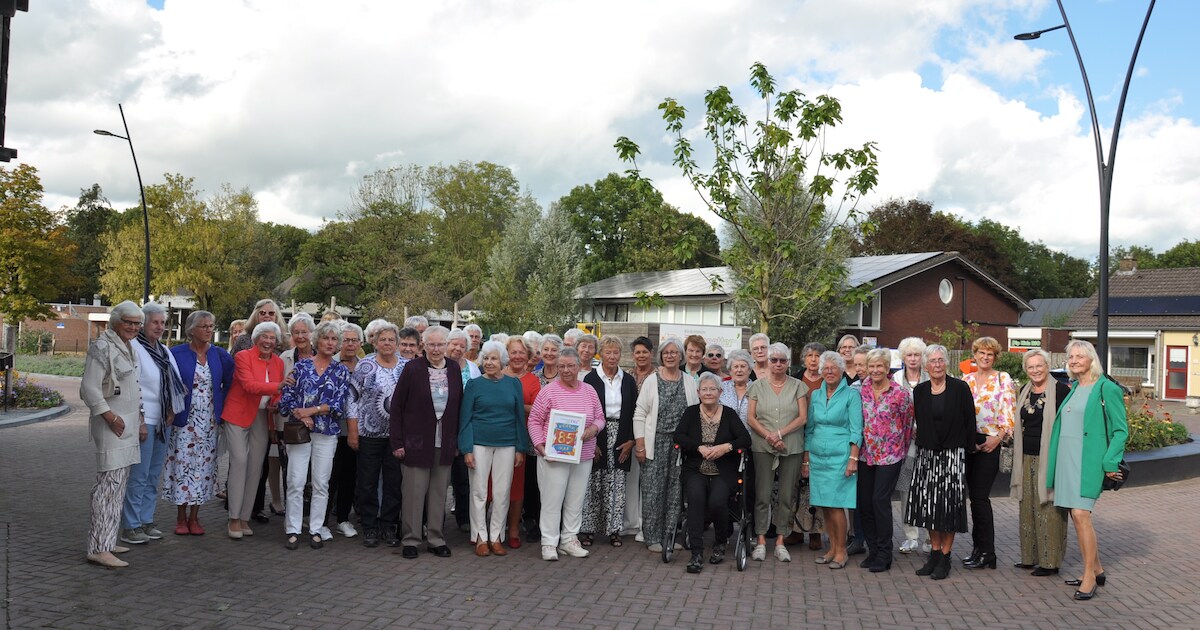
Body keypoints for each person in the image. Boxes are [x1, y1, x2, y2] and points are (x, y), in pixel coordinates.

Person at [1046, 340, 1128, 600]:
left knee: (1081, 514)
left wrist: (1110, 462)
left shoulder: (1106, 388)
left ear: (1091, 359)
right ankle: (1098, 568)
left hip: (1089, 461)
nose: (1074, 360)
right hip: (1067, 460)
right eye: (1070, 356)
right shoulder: (1074, 387)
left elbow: (1120, 430)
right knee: (1076, 514)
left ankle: (1089, 577)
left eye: (1080, 356)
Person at [389, 325, 463, 559]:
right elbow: (397, 407)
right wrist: (398, 442)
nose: (436, 349)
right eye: (431, 344)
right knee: (414, 492)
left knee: (439, 492)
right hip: (416, 441)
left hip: (445, 440)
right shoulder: (413, 369)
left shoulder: (453, 369)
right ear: (423, 345)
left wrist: (457, 440)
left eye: (440, 344)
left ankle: (435, 538)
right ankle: (411, 540)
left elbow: (458, 405)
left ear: (446, 346)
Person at [81, 301, 144, 568]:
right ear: (115, 321)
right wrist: (110, 417)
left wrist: (138, 420)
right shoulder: (102, 347)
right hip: (113, 425)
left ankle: (107, 539)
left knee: (118, 486)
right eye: (127, 322)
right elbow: (89, 388)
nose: (132, 327)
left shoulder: (127, 347)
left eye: (136, 323)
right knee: (107, 487)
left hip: (126, 424)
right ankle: (98, 547)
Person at [526, 347, 605, 561]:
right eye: (562, 366)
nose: (566, 370)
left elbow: (600, 417)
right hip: (553, 455)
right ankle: (549, 542)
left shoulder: (589, 390)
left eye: (571, 365)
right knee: (552, 500)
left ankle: (569, 540)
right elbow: (534, 421)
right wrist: (540, 446)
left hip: (583, 454)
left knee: (575, 499)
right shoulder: (549, 391)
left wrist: (593, 429)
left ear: (580, 367)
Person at [277, 320, 351, 550]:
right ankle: (293, 529)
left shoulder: (341, 371)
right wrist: (301, 415)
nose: (330, 343)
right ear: (316, 340)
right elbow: (286, 399)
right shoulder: (301, 367)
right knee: (296, 481)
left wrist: (313, 410)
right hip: (300, 432)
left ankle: (316, 528)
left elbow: (339, 405)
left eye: (334, 339)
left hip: (326, 433)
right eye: (326, 338)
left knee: (321, 483)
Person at [906, 344, 976, 580]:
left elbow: (970, 423)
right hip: (927, 455)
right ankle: (934, 553)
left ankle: (945, 556)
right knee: (929, 506)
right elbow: (920, 424)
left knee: (949, 508)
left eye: (940, 360)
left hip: (953, 455)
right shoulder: (920, 391)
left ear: (947, 363)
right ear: (926, 365)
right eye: (932, 361)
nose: (937, 364)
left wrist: (965, 454)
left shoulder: (960, 388)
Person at [119, 303, 187, 546]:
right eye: (154, 322)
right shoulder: (134, 349)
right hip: (144, 421)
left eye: (162, 322)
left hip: (162, 422)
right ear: (143, 324)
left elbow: (176, 382)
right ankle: (131, 525)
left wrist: (171, 410)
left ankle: (146, 520)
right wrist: (139, 421)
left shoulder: (165, 351)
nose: (160, 327)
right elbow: (132, 388)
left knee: (152, 475)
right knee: (138, 475)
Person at [673, 372, 752, 573]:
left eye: (712, 389)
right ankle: (696, 553)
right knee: (696, 499)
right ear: (699, 393)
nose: (708, 393)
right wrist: (698, 447)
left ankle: (720, 542)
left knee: (718, 501)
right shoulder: (690, 413)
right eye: (704, 389)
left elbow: (745, 439)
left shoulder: (730, 414)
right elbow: (679, 436)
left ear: (720, 392)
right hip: (695, 469)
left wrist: (725, 447)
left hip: (723, 470)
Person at [165, 311, 234, 536]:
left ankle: (195, 517)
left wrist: (222, 408)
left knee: (203, 470)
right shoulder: (176, 354)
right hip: (184, 421)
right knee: (183, 467)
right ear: (191, 329)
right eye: (204, 326)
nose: (208, 330)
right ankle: (180, 516)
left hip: (209, 422)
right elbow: (167, 384)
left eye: (211, 326)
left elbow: (230, 383)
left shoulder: (220, 355)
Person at [458, 340, 529, 557]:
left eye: (494, 358)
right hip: (479, 443)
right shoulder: (474, 384)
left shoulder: (513, 384)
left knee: (502, 492)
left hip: (507, 443)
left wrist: (520, 447)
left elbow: (518, 417)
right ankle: (480, 536)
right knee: (479, 492)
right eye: (486, 358)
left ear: (502, 361)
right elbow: (465, 419)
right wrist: (467, 448)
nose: (489, 362)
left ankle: (496, 536)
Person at [633, 338, 699, 554]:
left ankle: (669, 535)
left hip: (680, 445)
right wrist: (640, 445)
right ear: (661, 356)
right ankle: (652, 536)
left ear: (681, 356)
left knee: (676, 491)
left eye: (674, 352)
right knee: (653, 490)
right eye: (666, 352)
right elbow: (640, 414)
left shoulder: (689, 381)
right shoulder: (652, 381)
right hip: (655, 442)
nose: (670, 355)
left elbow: (696, 414)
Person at [222, 321, 286, 540]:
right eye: (264, 337)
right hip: (238, 413)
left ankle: (244, 518)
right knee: (239, 461)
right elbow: (249, 385)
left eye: (272, 338)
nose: (268, 342)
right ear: (256, 339)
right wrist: (279, 387)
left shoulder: (278, 362)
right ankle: (233, 517)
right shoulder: (243, 357)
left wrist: (276, 401)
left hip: (261, 416)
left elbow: (276, 392)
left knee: (256, 467)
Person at [747, 342, 809, 562]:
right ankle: (761, 540)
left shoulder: (798, 386)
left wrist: (779, 434)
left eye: (782, 360)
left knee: (785, 495)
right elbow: (751, 418)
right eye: (774, 360)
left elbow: (802, 417)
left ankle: (781, 540)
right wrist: (769, 437)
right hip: (762, 447)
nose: (778, 364)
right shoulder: (756, 386)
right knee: (762, 494)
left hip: (791, 447)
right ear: (768, 362)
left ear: (788, 363)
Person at [347, 321, 407, 548]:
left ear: (398, 343)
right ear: (374, 342)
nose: (387, 343)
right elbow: (351, 399)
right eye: (383, 339)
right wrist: (353, 431)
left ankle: (388, 526)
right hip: (368, 434)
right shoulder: (365, 366)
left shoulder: (406, 366)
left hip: (396, 436)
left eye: (392, 339)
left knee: (394, 482)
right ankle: (370, 527)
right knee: (367, 482)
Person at [1011, 348, 1071, 576]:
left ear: (1047, 366)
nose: (1035, 370)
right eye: (1031, 367)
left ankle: (1050, 562)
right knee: (1027, 507)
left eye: (1039, 365)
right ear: (1026, 369)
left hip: (1051, 457)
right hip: (1026, 458)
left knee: (1048, 507)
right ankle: (1030, 557)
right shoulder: (1024, 391)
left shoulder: (1061, 391)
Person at [856, 348, 913, 572]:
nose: (876, 370)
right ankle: (873, 550)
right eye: (872, 366)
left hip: (890, 455)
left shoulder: (900, 393)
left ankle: (885, 552)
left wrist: (901, 450)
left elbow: (908, 425)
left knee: (880, 501)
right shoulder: (861, 391)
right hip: (865, 455)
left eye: (880, 366)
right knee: (865, 503)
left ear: (887, 368)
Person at [804, 351, 862, 569]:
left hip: (841, 456)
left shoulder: (851, 395)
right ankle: (831, 548)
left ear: (841, 371)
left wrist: (853, 458)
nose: (828, 372)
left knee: (837, 506)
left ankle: (841, 551)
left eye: (833, 368)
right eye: (825, 369)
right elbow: (809, 429)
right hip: (818, 457)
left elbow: (857, 429)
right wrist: (806, 460)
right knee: (825, 506)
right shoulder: (816, 395)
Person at [961, 336, 1016, 570]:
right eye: (981, 353)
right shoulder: (966, 380)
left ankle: (988, 552)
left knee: (981, 498)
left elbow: (1009, 413)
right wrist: (967, 440)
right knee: (973, 498)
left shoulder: (1003, 379)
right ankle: (977, 548)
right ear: (974, 355)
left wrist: (999, 438)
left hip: (992, 441)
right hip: (970, 443)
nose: (985, 357)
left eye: (989, 354)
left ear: (995, 357)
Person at [581, 335, 637, 547]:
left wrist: (631, 440)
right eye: (608, 352)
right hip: (596, 433)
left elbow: (633, 411)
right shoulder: (590, 379)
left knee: (617, 483)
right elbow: (586, 410)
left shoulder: (628, 380)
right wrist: (591, 441)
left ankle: (614, 530)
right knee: (593, 482)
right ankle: (588, 530)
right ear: (600, 354)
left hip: (621, 433)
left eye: (616, 352)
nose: (612, 356)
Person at [272, 313, 316, 524]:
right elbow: (278, 387)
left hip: (316, 423)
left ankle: (310, 516)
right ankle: (293, 516)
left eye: (304, 332)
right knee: (291, 470)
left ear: (312, 333)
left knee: (313, 471)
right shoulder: (285, 357)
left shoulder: (322, 355)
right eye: (296, 332)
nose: (300, 336)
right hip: (289, 422)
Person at [500, 335, 541, 547]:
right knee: (495, 486)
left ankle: (514, 529)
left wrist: (515, 405)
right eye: (513, 352)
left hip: (519, 438)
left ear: (528, 356)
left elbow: (537, 408)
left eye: (521, 352)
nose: (517, 356)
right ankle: (495, 528)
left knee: (516, 486)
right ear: (507, 354)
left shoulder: (533, 380)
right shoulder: (496, 374)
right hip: (495, 437)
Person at [893, 336, 930, 555]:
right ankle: (910, 536)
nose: (913, 358)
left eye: (917, 354)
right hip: (904, 444)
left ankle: (927, 536)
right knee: (906, 489)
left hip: (928, 444)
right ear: (903, 357)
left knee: (926, 490)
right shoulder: (896, 379)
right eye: (909, 354)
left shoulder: (931, 378)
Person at [447, 328, 482, 535]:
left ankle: (463, 517)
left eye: (462, 345)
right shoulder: (437, 366)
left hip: (465, 427)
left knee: (463, 476)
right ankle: (430, 520)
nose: (458, 348)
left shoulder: (472, 368)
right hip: (441, 428)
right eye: (454, 344)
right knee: (438, 476)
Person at [330, 322, 364, 539]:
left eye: (354, 340)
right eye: (346, 340)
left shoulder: (365, 365)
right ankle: (321, 520)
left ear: (360, 343)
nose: (350, 344)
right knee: (328, 477)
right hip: (331, 430)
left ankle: (343, 518)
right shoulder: (330, 363)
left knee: (349, 477)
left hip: (355, 431)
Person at [623, 335, 655, 541]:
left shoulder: (658, 375)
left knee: (648, 481)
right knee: (631, 479)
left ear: (651, 354)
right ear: (632, 355)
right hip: (629, 433)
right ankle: (630, 523)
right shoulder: (626, 375)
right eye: (637, 352)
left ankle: (645, 523)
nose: (641, 355)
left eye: (645, 352)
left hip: (650, 432)